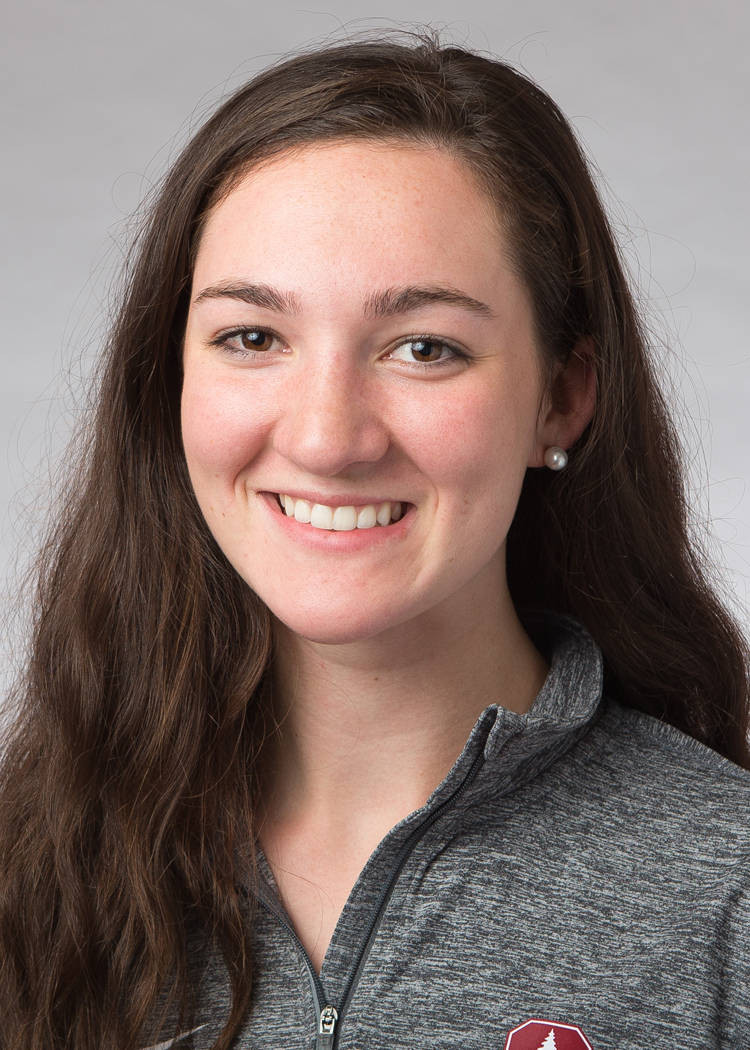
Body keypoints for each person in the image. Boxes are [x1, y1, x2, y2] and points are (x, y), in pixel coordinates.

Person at [0, 26, 747, 1050]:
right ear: (169, 378)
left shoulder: (727, 890)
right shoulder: (29, 867)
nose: (324, 436)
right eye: (252, 338)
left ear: (561, 401)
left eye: (423, 347)